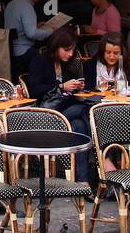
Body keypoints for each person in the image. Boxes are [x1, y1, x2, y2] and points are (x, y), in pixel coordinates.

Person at [26, 29, 96, 182]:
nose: (70, 54)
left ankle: (82, 182)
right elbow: (34, 90)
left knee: (80, 128)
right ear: (55, 47)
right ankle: (99, 154)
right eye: (66, 50)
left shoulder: (68, 64)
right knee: (87, 109)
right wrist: (62, 86)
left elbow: (69, 93)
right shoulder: (39, 61)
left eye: (72, 50)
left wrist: (77, 86)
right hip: (46, 112)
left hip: (66, 111)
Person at [5, 0, 52, 78]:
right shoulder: (26, 6)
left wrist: (37, 25)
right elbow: (32, 34)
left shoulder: (11, 4)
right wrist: (51, 30)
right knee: (49, 59)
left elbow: (18, 27)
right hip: (23, 51)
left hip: (10, 51)